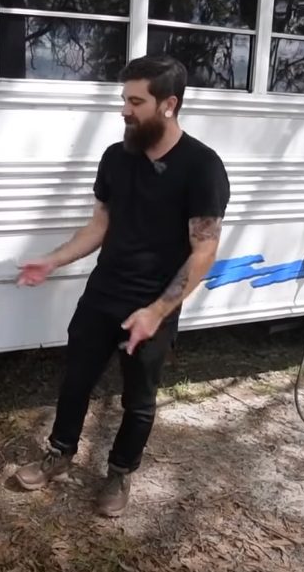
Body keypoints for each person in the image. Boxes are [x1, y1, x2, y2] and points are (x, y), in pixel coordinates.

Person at [14, 54, 230, 517]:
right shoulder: (117, 157)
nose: (124, 110)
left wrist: (155, 312)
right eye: (123, 99)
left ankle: (119, 474)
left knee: (139, 401)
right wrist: (52, 260)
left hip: (154, 303)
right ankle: (60, 454)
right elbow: (99, 227)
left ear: (169, 104)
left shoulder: (202, 166)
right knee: (75, 381)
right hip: (103, 294)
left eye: (135, 101)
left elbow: (204, 250)